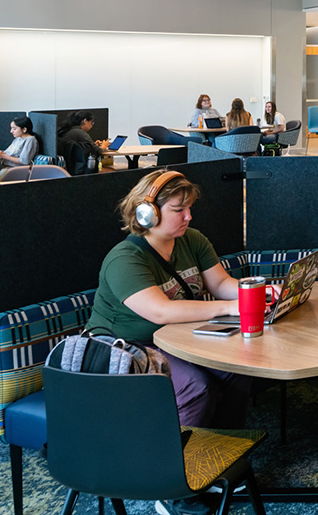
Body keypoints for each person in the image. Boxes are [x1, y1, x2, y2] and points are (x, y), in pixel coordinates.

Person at [86, 170, 250, 428]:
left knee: (236, 372)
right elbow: (160, 312)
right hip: (124, 346)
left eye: (189, 208)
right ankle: (178, 463)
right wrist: (231, 307)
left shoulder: (191, 239)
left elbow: (219, 283)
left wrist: (254, 292)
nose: (189, 216)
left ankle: (224, 454)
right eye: (179, 210)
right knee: (194, 388)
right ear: (147, 213)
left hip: (173, 338)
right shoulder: (125, 258)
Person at [57, 110, 110, 175]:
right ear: (85, 121)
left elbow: (80, 147)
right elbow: (98, 150)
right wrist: (104, 146)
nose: (91, 126)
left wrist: (94, 144)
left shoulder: (69, 130)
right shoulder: (81, 133)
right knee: (112, 170)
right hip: (78, 170)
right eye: (91, 123)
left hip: (67, 168)